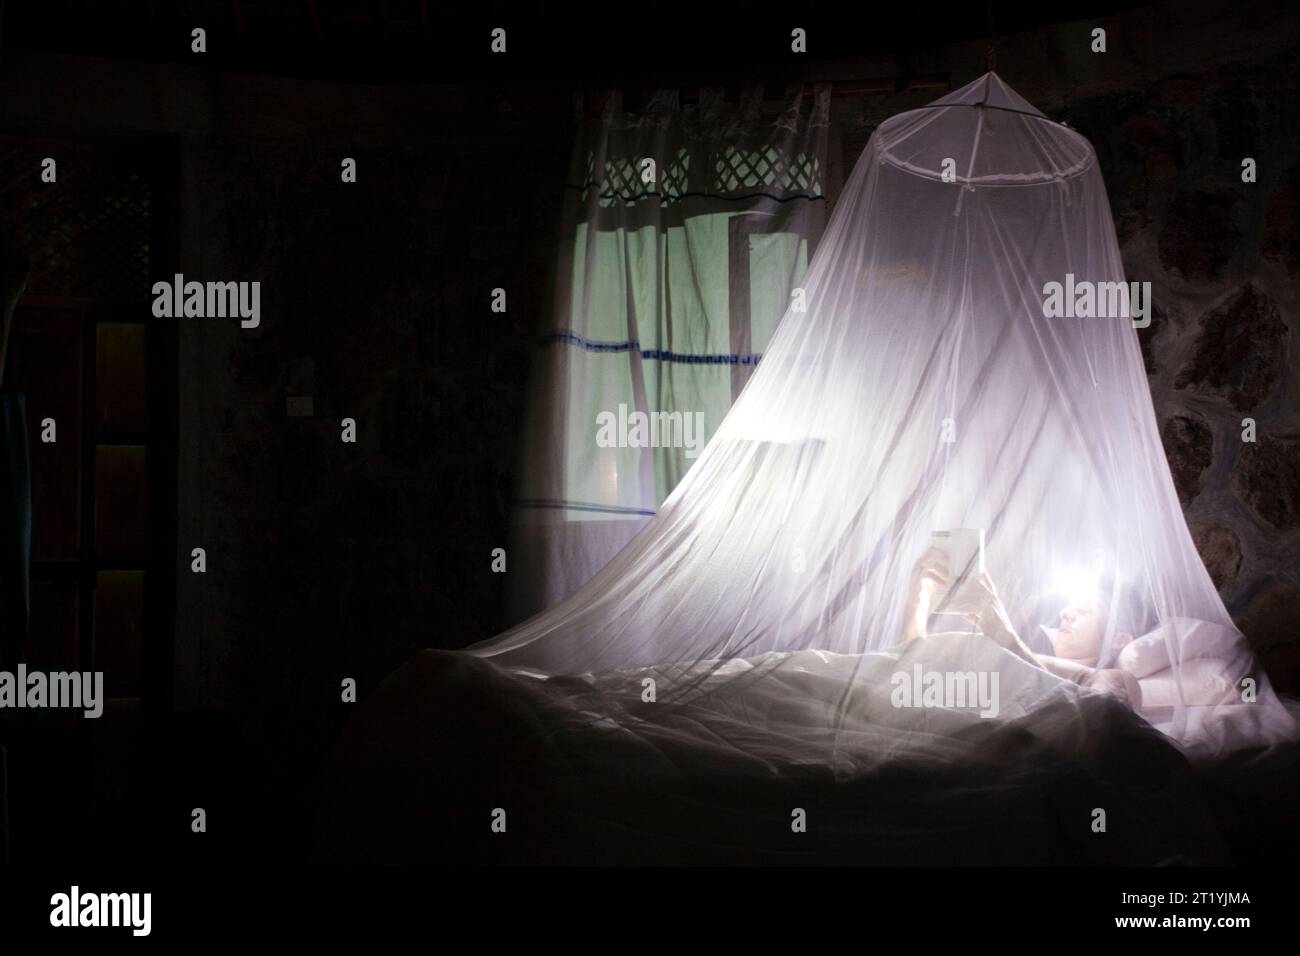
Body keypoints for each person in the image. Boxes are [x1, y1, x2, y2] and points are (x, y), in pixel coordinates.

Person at [900, 546, 1142, 707]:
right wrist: (917, 600)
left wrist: (1002, 633)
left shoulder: (1118, 680)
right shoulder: (1010, 658)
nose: (1065, 613)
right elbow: (909, 680)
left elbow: (1096, 721)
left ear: (1119, 640)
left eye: (1085, 610)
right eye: (1069, 606)